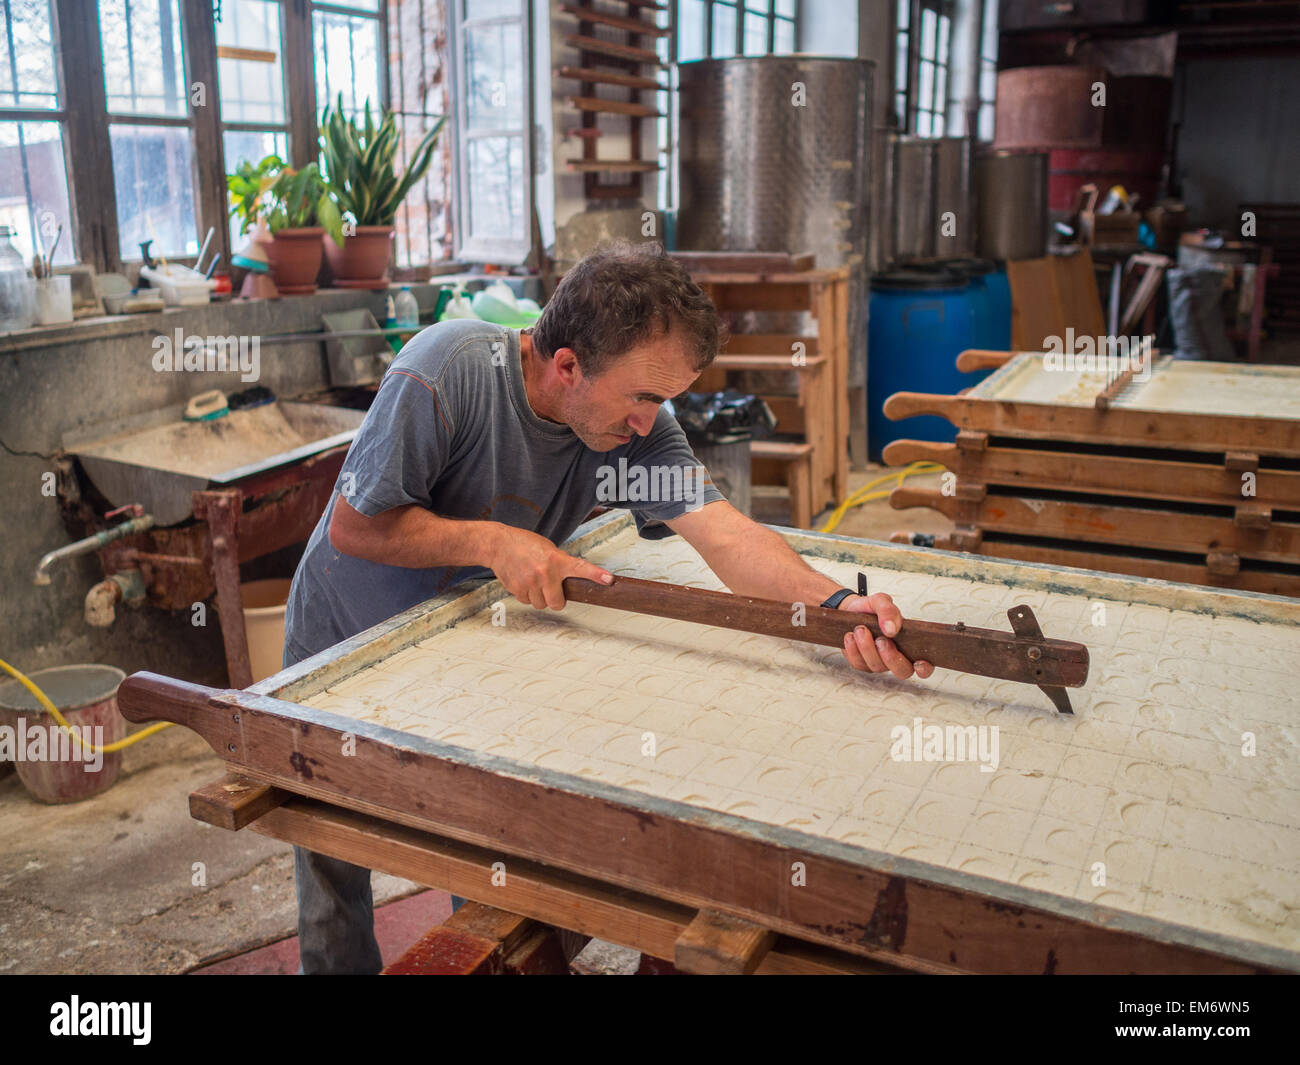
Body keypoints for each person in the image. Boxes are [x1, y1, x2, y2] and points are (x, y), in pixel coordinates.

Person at [283, 241, 932, 973]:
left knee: (482, 841)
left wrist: (836, 604)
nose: (649, 421)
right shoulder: (446, 370)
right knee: (334, 862)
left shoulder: (636, 431)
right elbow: (355, 524)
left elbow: (724, 536)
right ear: (567, 366)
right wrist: (498, 542)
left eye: (664, 399)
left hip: (460, 640)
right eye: (642, 396)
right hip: (349, 643)